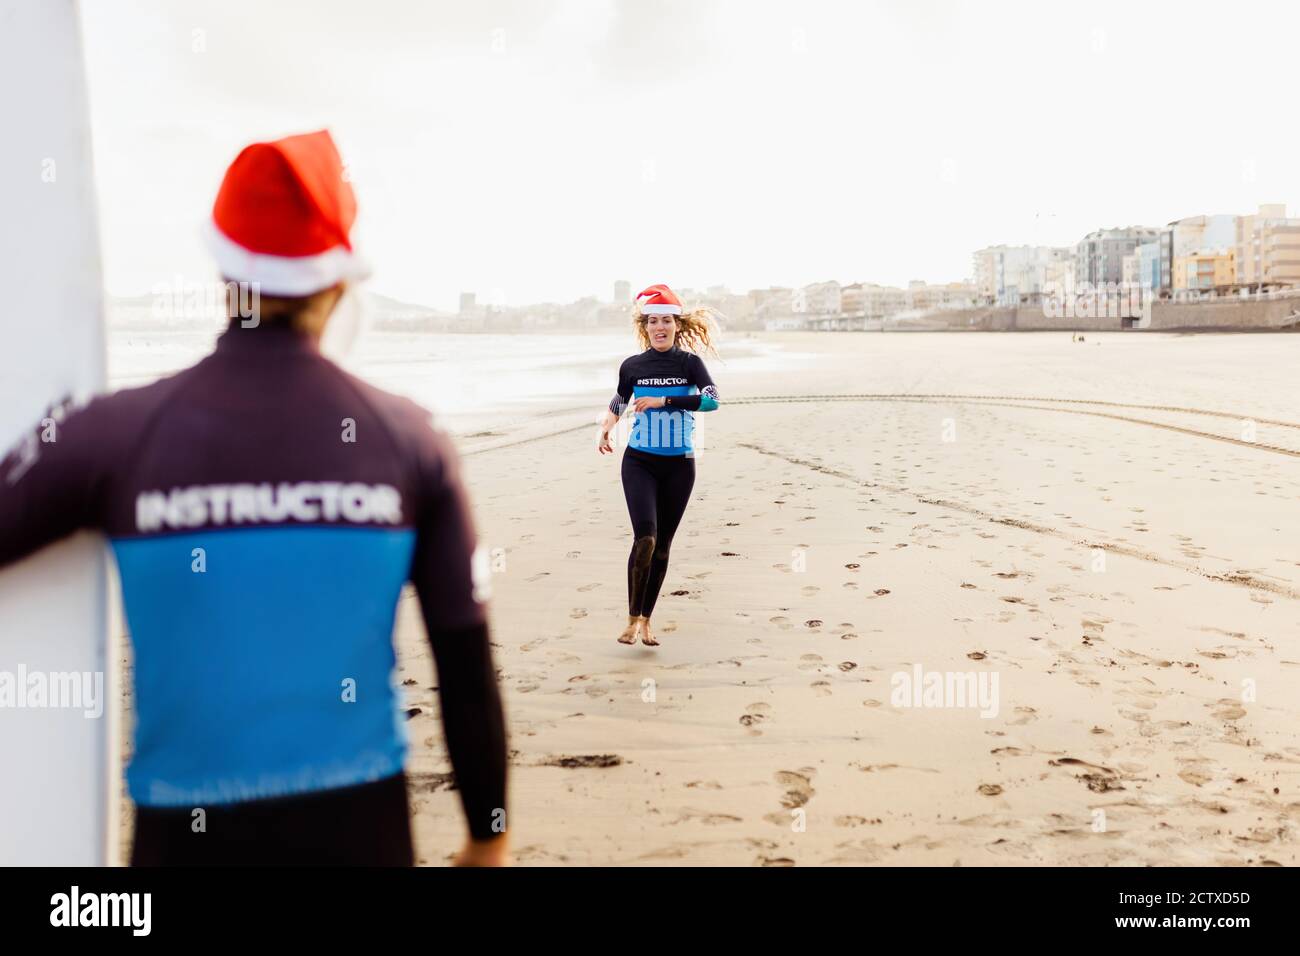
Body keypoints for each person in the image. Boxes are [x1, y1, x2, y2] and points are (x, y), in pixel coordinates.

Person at [0, 130, 508, 866]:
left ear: (220, 268)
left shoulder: (118, 435)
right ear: (338, 283)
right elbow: (464, 659)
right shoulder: (409, 439)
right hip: (362, 828)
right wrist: (488, 836)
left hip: (184, 834)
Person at [597, 284, 720, 647]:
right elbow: (621, 399)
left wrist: (664, 398)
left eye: (667, 320)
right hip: (639, 461)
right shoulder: (633, 366)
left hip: (680, 465)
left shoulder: (689, 364)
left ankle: (647, 620)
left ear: (677, 325)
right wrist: (607, 428)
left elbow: (712, 401)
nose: (660, 326)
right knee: (646, 537)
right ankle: (632, 618)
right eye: (653, 321)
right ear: (645, 327)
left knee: (663, 546)